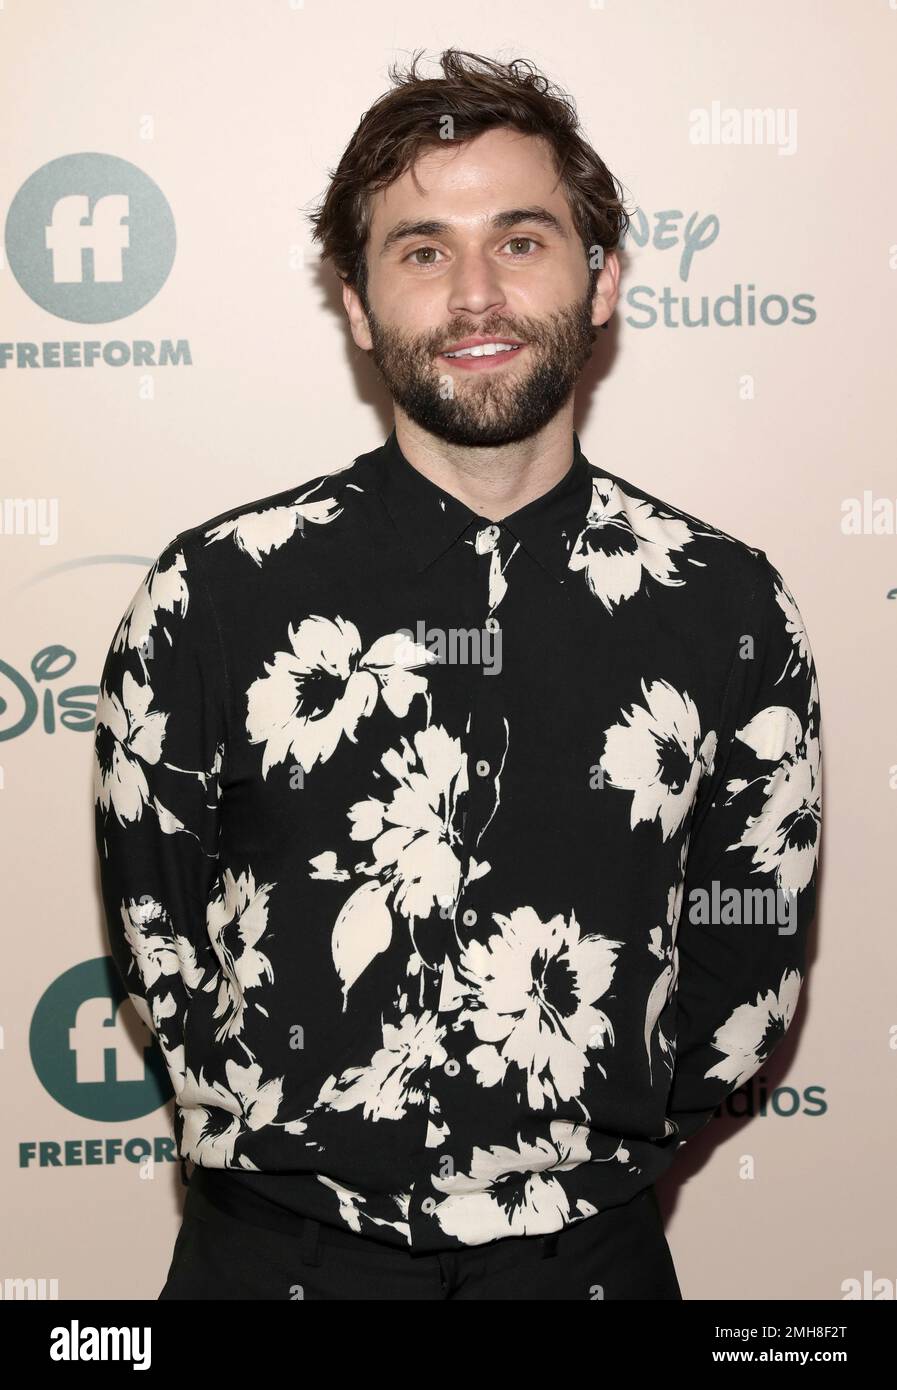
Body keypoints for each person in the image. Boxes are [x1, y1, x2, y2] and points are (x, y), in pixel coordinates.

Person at [93, 49, 822, 1300]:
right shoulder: (213, 592)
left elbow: (745, 969)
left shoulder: (727, 606)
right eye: (423, 251)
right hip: (275, 1262)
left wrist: (580, 1163)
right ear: (361, 305)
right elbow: (160, 941)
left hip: (588, 1263)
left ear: (602, 283)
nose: (476, 295)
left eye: (522, 241)